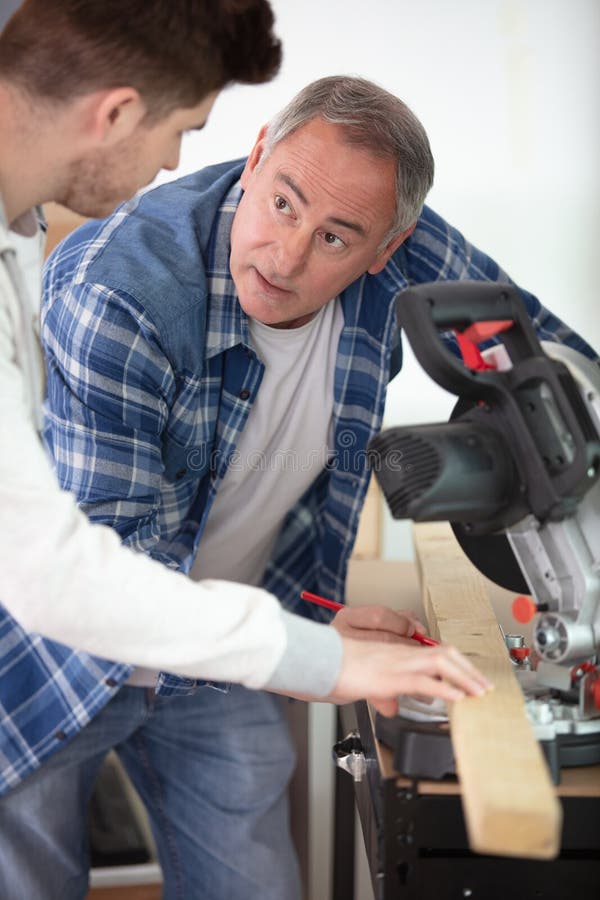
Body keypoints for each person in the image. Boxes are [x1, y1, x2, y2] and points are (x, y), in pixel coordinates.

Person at [34, 74, 598, 898]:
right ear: (257, 155)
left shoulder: (401, 243)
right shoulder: (121, 295)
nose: (288, 254)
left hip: (227, 644)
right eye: (284, 205)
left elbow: (551, 363)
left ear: (388, 247)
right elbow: (119, 587)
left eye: (337, 238)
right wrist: (320, 653)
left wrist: (318, 621)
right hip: (50, 641)